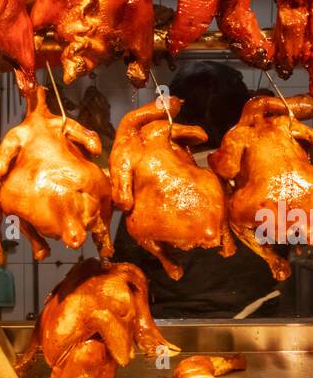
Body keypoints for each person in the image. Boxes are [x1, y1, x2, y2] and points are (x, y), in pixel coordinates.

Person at [110, 61, 282, 317]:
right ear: (240, 116)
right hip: (260, 319)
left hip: (175, 327)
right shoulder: (265, 176)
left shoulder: (152, 180)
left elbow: (126, 267)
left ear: (176, 116)